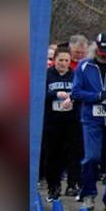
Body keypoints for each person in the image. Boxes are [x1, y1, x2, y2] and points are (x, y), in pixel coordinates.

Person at [69, 32, 106, 209]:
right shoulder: (84, 66)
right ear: (95, 49)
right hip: (91, 118)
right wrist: (98, 96)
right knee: (91, 157)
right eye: (102, 53)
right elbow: (75, 92)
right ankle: (88, 193)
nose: (105, 57)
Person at [39, 46, 80, 199]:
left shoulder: (75, 75)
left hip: (71, 120)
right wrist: (55, 94)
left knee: (72, 153)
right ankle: (53, 185)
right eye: (60, 60)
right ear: (54, 60)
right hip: (52, 120)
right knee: (53, 154)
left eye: (66, 60)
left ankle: (72, 184)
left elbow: (80, 93)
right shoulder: (47, 75)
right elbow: (39, 94)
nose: (63, 63)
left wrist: (72, 98)